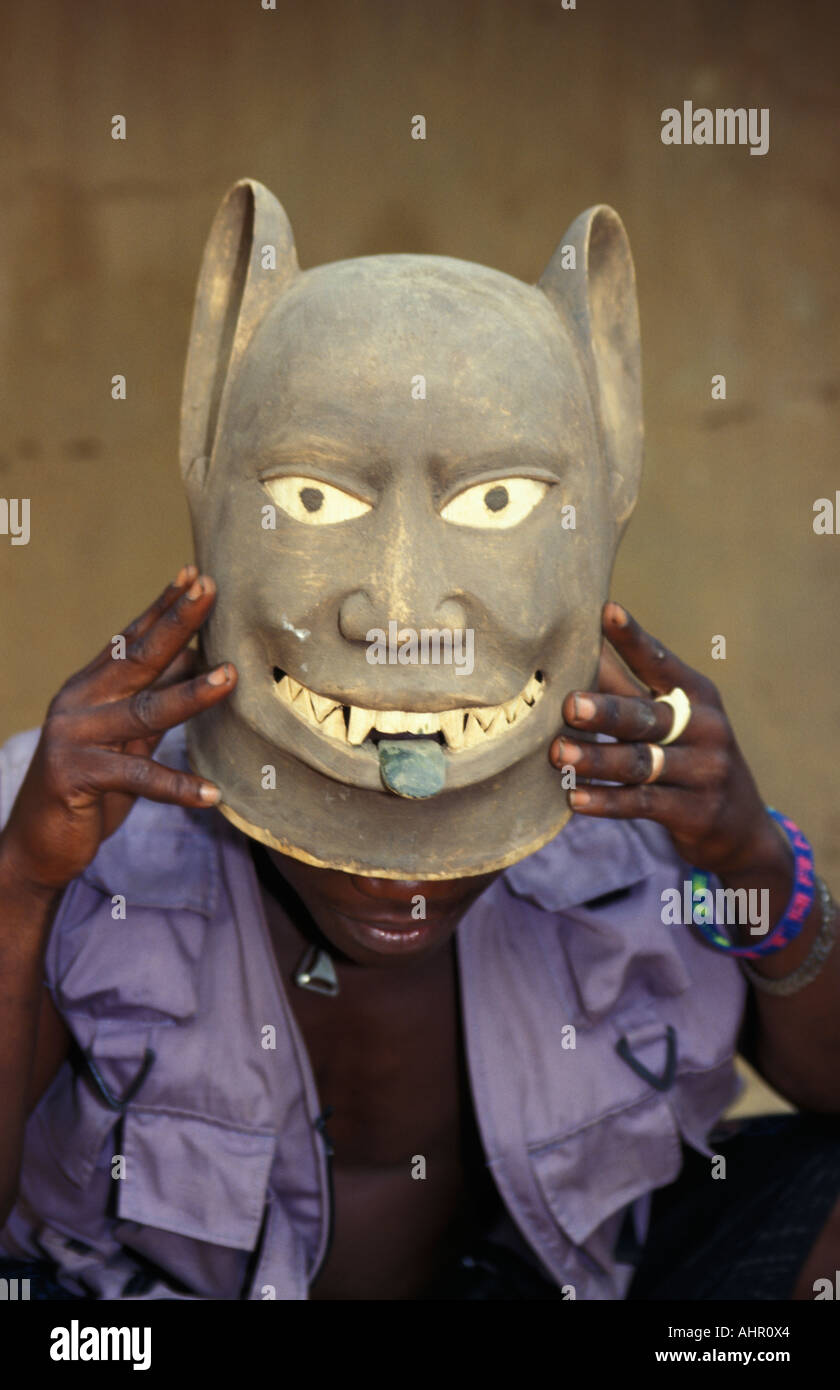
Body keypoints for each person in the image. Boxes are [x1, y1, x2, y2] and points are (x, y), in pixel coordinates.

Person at [1, 181, 838, 1300]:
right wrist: (21, 888)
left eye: (497, 504)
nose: (400, 608)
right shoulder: (69, 834)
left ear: (612, 472)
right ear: (208, 449)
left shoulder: (645, 837)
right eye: (314, 493)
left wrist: (753, 865)